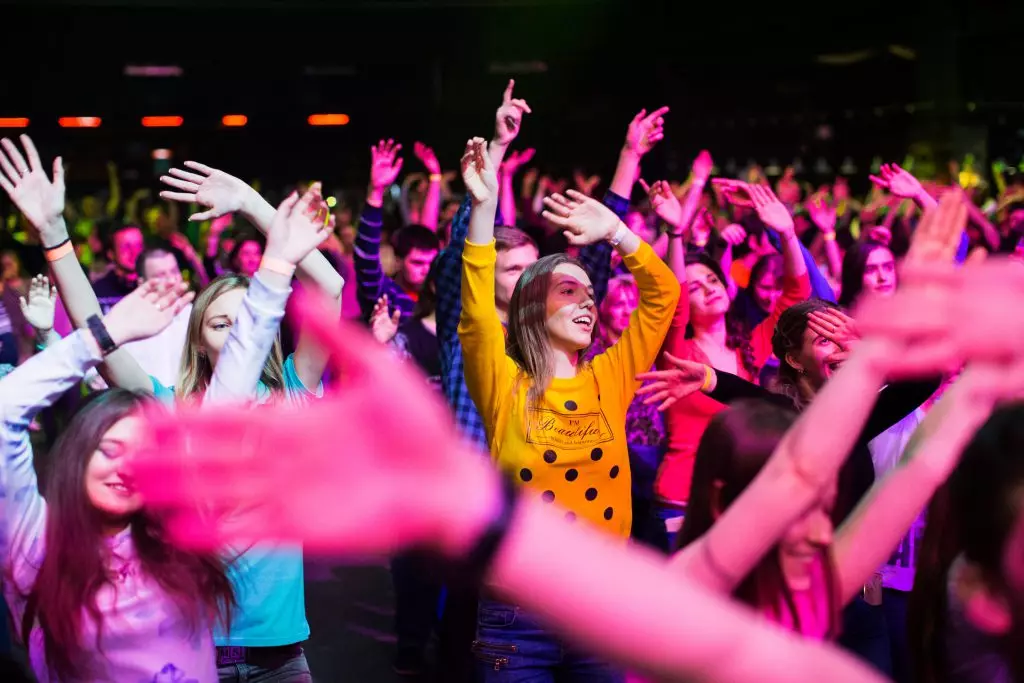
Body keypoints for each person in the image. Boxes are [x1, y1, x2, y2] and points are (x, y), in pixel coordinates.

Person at [459, 126, 680, 680]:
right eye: (568, 290)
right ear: (533, 307)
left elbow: (662, 297)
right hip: (519, 615)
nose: (587, 301)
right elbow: (478, 310)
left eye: (589, 292)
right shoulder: (503, 382)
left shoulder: (609, 376)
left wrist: (620, 234)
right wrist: (483, 207)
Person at [0, 278, 235, 682]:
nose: (126, 467)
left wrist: (278, 265)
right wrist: (103, 336)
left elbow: (232, 395)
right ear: (79, 454)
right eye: (109, 450)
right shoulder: (37, 545)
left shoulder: (179, 535)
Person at [641, 175, 811, 551]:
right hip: (681, 499)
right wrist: (674, 233)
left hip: (740, 498)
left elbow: (796, 295)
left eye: (714, 280)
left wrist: (786, 234)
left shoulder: (749, 347)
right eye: (697, 285)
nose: (710, 287)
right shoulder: (676, 352)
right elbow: (677, 302)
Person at [354, 138, 441, 323]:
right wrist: (376, 192)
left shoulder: (443, 301)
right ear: (398, 261)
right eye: (418, 263)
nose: (427, 270)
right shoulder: (386, 297)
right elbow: (366, 259)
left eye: (431, 264)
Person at [91, 223, 145, 313]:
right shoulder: (99, 292)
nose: (134, 252)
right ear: (111, 254)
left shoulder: (155, 284)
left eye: (138, 245)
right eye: (126, 247)